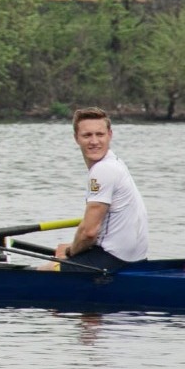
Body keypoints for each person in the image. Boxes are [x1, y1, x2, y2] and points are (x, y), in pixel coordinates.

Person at [54, 107, 150, 271]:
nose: (94, 141)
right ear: (76, 138)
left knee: (46, 269)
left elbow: (89, 233)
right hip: (135, 259)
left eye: (100, 135)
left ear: (110, 135)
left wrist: (70, 251)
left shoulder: (102, 170)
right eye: (87, 135)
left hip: (113, 259)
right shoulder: (116, 162)